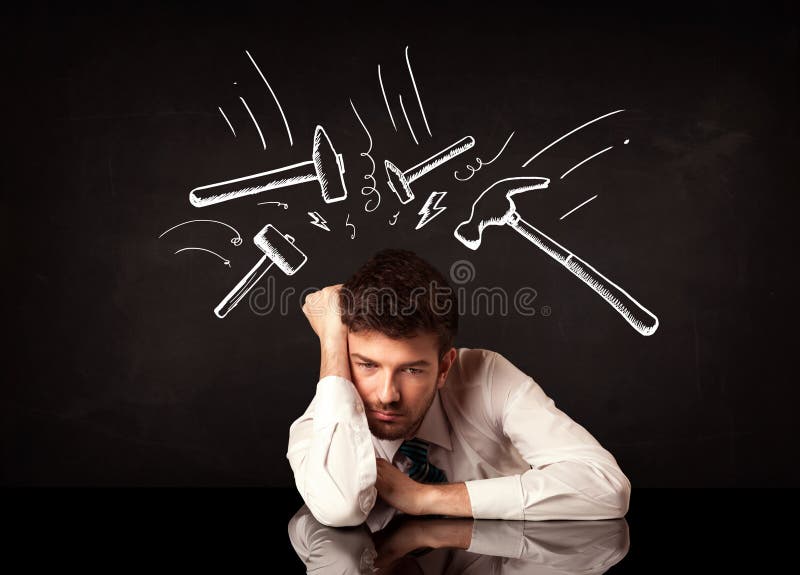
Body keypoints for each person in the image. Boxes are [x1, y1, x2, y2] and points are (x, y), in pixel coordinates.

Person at [287, 249, 630, 527]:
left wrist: (424, 498)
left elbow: (606, 487)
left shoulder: (485, 377)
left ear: (444, 368)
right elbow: (341, 509)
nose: (387, 395)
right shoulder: (324, 420)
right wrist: (332, 342)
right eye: (367, 365)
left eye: (411, 369)